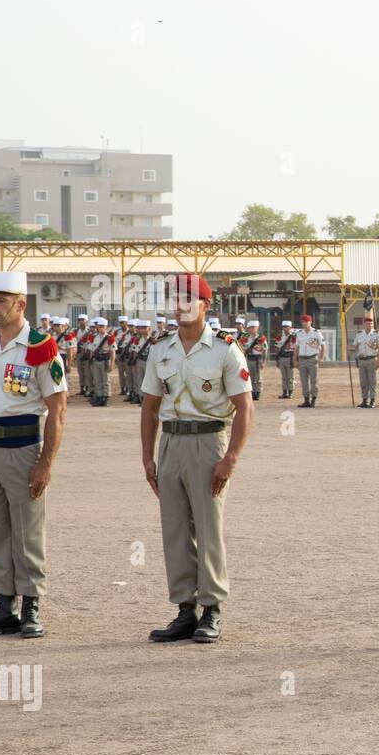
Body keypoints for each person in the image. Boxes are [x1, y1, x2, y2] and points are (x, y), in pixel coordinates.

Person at [140, 273, 254, 644]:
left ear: (206, 305)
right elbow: (150, 405)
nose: (179, 306)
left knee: (208, 528)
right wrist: (147, 456)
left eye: (188, 298)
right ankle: (184, 609)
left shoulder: (224, 348)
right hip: (171, 443)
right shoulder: (161, 348)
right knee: (174, 529)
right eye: (175, 299)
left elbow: (244, 407)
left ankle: (212, 609)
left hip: (209, 443)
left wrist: (231, 458)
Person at [0, 271, 68, 639]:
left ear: (21, 304)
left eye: (1, 301)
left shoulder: (41, 347)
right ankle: (3, 605)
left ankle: (31, 604)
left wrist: (46, 463)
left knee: (27, 530)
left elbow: (58, 408)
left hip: (22, 450)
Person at [351, 316, 379, 408]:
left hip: (372, 360)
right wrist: (349, 348)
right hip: (362, 361)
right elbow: (355, 346)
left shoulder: (377, 334)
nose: (370, 325)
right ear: (364, 324)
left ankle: (372, 400)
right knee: (363, 381)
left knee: (372, 381)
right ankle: (365, 400)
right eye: (368, 323)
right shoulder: (359, 334)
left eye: (371, 324)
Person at [295, 314, 325, 407]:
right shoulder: (299, 333)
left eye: (306, 322)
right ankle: (306, 400)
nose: (304, 324)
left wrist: (321, 357)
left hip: (312, 358)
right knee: (304, 381)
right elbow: (297, 347)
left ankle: (313, 400)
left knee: (314, 380)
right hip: (302, 359)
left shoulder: (316, 332)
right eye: (302, 322)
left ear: (310, 322)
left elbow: (323, 345)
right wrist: (295, 359)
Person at [242, 320, 268, 401]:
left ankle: (258, 391)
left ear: (257, 328)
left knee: (258, 377)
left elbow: (265, 350)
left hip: (258, 359)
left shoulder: (261, 338)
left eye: (253, 327)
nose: (251, 329)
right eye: (250, 328)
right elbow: (243, 348)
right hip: (249, 358)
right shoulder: (246, 338)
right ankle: (253, 392)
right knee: (251, 377)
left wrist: (264, 361)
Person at [275, 320, 297, 399]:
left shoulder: (293, 337)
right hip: (282, 357)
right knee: (284, 377)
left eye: (287, 327)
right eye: (284, 327)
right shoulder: (279, 336)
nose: (285, 328)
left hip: (290, 357)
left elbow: (295, 348)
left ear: (290, 327)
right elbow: (277, 348)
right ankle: (284, 392)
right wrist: (277, 359)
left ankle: (290, 392)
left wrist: (295, 359)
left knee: (290, 376)